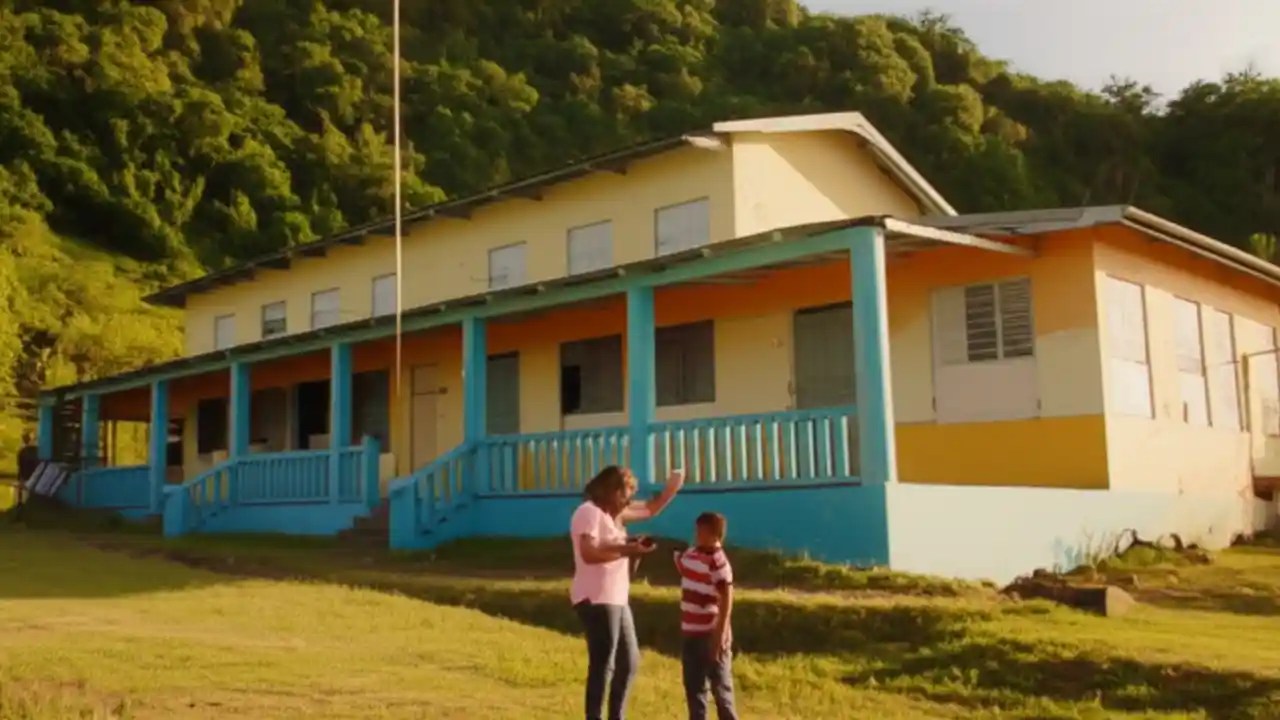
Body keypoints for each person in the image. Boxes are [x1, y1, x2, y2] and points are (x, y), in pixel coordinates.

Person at [570, 465, 684, 720]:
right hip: (595, 598)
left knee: (629, 662)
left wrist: (671, 489)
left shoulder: (616, 516)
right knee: (603, 663)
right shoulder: (588, 512)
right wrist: (627, 550)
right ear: (610, 490)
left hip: (617, 598)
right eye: (626, 492)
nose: (629, 499)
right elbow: (588, 553)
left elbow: (650, 509)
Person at [674, 512, 739, 720]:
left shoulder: (718, 562)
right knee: (694, 690)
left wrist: (720, 635)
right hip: (691, 633)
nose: (697, 535)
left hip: (710, 634)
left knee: (721, 691)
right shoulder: (692, 554)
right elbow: (682, 565)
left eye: (701, 532)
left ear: (714, 535)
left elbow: (727, 597)